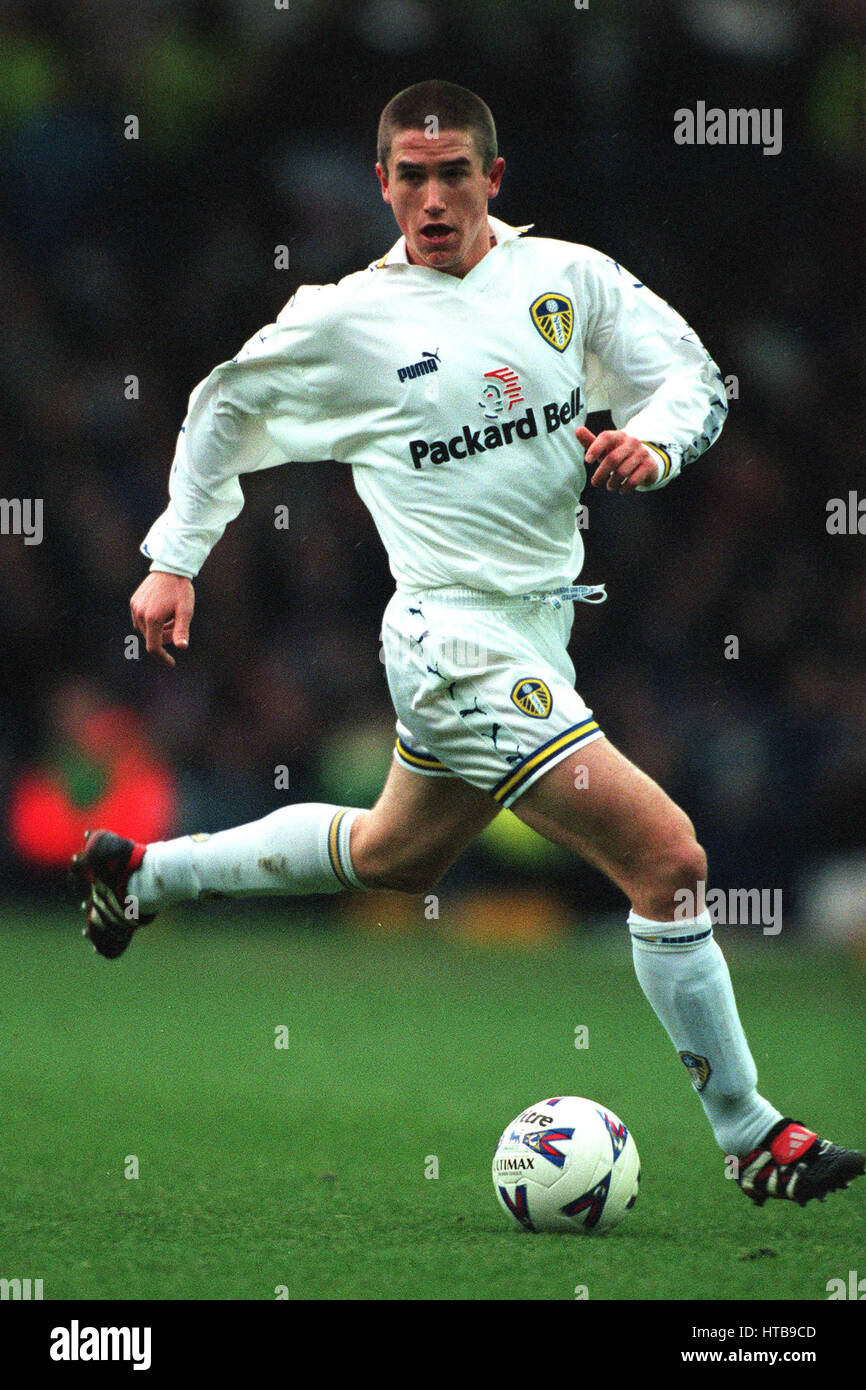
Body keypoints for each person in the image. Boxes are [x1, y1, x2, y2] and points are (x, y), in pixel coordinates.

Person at [72, 81, 863, 1209]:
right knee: (670, 860)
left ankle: (148, 876)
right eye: (409, 174)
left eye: (453, 174)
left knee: (398, 856)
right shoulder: (346, 320)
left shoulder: (566, 280)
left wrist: (652, 443)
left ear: (493, 180)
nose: (431, 196)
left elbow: (690, 377)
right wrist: (173, 557)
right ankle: (749, 1135)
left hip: (536, 630)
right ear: (381, 184)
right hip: (449, 641)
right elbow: (221, 408)